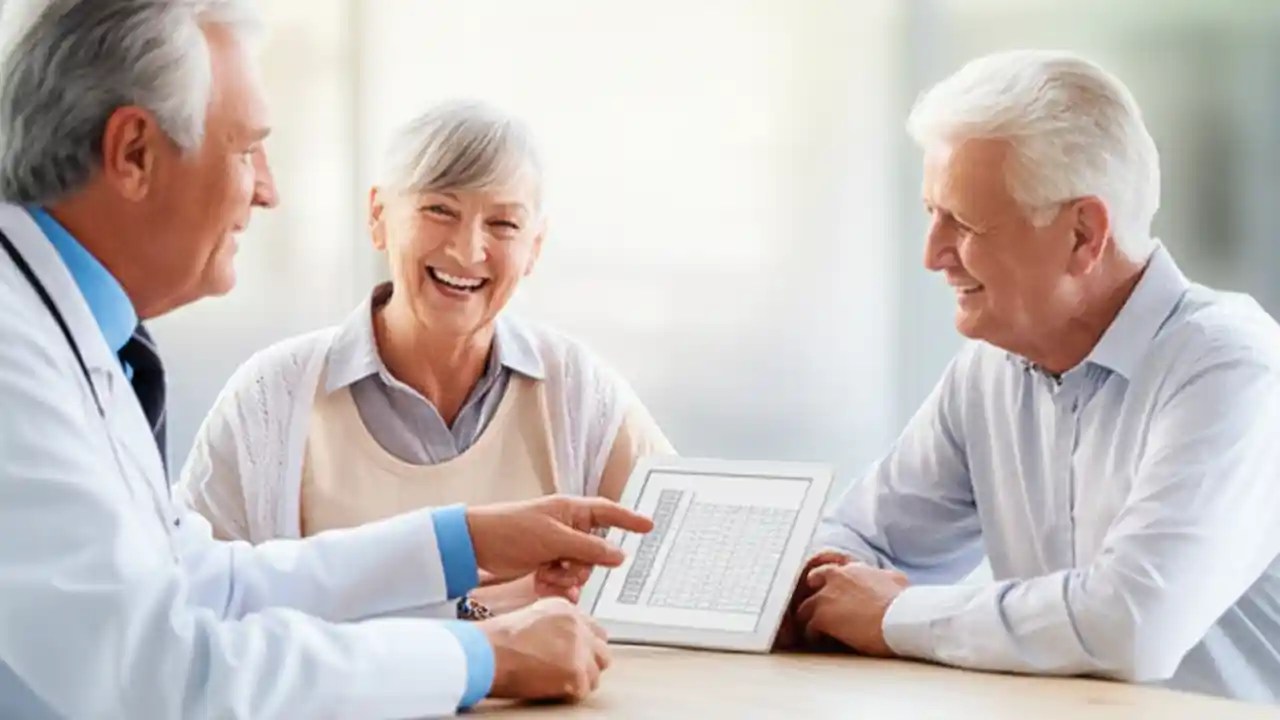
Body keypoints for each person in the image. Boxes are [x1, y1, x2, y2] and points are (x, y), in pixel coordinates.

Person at [0, 2, 653, 717]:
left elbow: (213, 584)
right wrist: (485, 656)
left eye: (503, 222)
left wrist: (464, 539)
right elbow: (166, 672)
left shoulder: (66, 343)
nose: (268, 189)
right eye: (246, 148)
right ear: (133, 153)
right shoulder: (16, 358)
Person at [786, 50, 1280, 703]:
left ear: (1083, 234)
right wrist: (821, 578)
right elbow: (865, 540)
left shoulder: (1233, 369)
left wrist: (893, 615)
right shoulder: (991, 371)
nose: (933, 254)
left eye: (963, 222)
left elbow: (1132, 624)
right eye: (931, 213)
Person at [179, 100, 673, 614]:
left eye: (503, 224)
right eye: (440, 210)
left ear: (535, 247)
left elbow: (690, 556)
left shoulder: (575, 389)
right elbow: (196, 600)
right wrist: (484, 607)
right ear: (378, 218)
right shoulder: (269, 398)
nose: (467, 250)